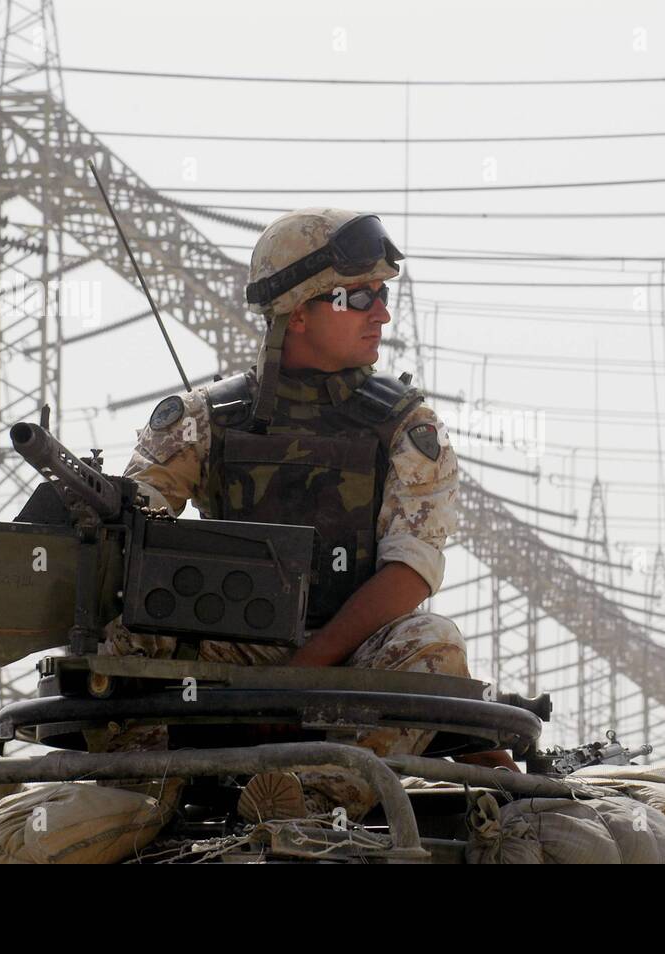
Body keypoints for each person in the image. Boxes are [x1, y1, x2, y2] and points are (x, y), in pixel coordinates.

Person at [91, 208, 516, 823]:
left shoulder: (404, 427)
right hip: (229, 660)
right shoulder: (206, 420)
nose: (382, 314)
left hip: (348, 666)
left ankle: (305, 807)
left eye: (383, 295)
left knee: (433, 643)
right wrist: (100, 513)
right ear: (297, 312)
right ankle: (143, 806)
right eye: (360, 297)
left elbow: (410, 574)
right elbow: (133, 524)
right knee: (120, 626)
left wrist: (301, 671)